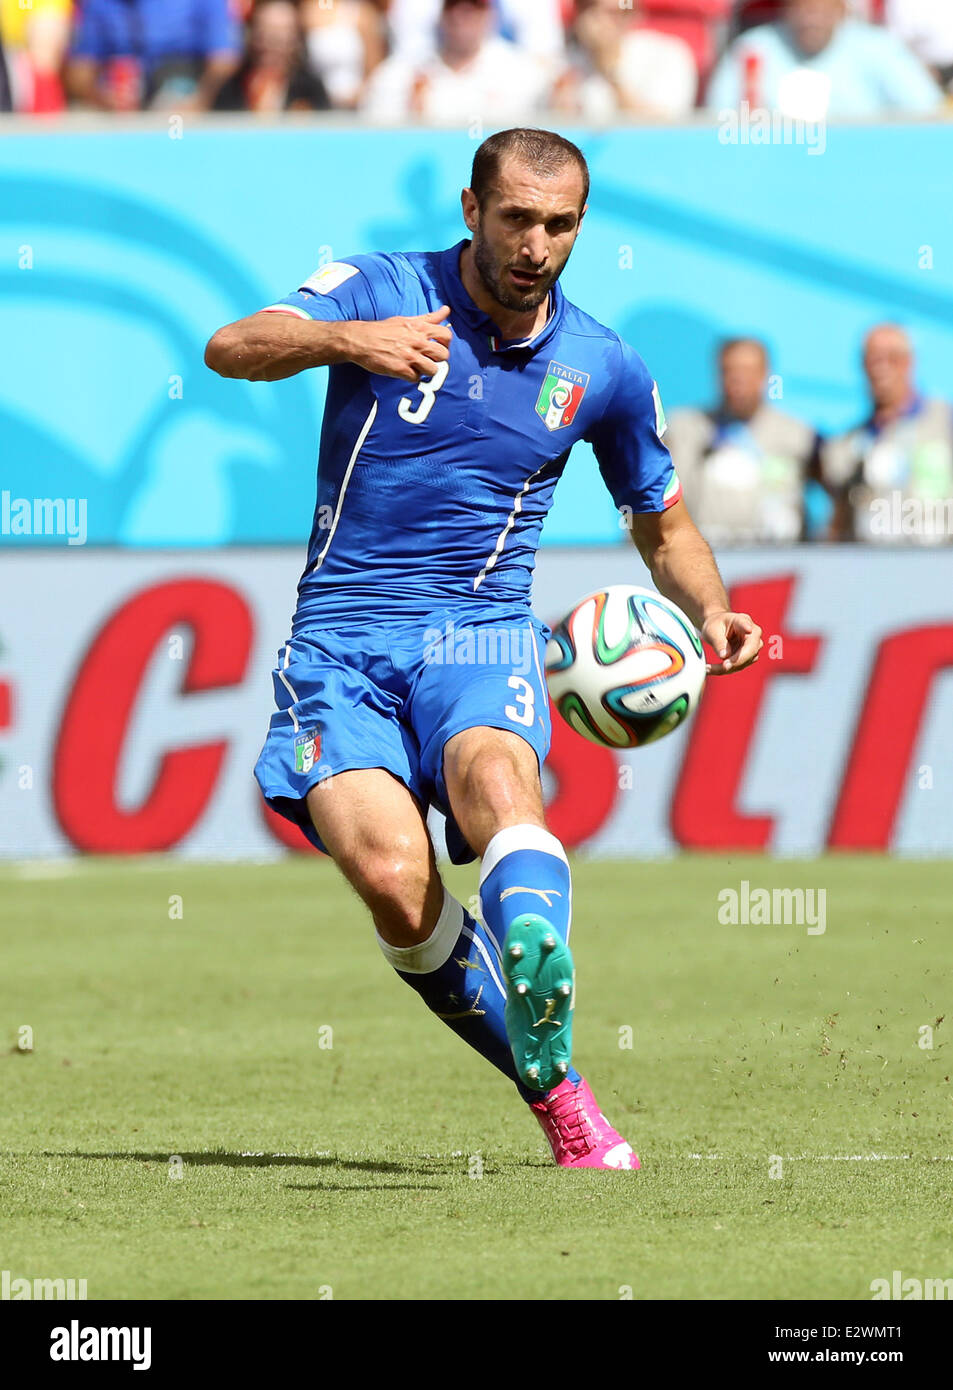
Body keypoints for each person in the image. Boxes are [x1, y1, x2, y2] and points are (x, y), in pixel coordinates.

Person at [205, 127, 762, 1170]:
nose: (534, 245)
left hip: (480, 627)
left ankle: (548, 1031)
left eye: (557, 225)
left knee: (499, 784)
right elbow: (230, 347)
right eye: (515, 218)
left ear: (578, 229)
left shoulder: (601, 364)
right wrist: (348, 344)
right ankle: (550, 1070)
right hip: (339, 637)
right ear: (471, 211)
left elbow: (663, 524)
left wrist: (707, 610)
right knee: (391, 878)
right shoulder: (377, 288)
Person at [664, 338, 821, 544]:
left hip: (777, 561)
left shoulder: (800, 435)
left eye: (748, 371)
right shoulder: (684, 429)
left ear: (766, 374)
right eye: (729, 370)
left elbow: (838, 500)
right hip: (705, 558)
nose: (738, 379)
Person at [822, 324, 953, 544]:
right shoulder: (844, 447)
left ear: (910, 362)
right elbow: (838, 523)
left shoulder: (944, 422)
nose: (880, 368)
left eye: (892, 358)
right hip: (871, 569)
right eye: (872, 359)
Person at [706, 0, 942, 119]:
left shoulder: (878, 49)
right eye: (803, 7)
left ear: (841, 10)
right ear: (785, 9)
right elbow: (716, 120)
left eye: (820, 7)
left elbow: (927, 112)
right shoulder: (753, 49)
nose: (811, 19)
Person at [361, 0, 549, 123]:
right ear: (442, 15)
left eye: (473, 8)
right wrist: (413, 113)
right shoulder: (402, 72)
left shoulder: (521, 71)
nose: (461, 16)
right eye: (453, 7)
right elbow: (374, 122)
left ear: (489, 15)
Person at [66, 0, 241, 111]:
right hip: (119, 109)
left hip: (183, 95)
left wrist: (199, 100)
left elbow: (224, 58)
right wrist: (100, 97)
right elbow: (80, 69)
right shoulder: (99, 4)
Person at [553, 0, 698, 119]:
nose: (599, 21)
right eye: (589, 9)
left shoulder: (668, 54)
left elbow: (661, 127)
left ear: (633, 14)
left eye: (613, 13)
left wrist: (610, 70)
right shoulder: (563, 61)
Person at [213, 0, 330, 113]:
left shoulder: (310, 88)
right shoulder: (232, 86)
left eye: (280, 37)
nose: (270, 45)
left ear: (296, 40)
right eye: (264, 33)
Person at [300, 0, 386, 110]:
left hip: (354, 107)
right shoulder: (308, 10)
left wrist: (356, 97)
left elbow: (375, 70)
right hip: (316, 107)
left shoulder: (362, 13)